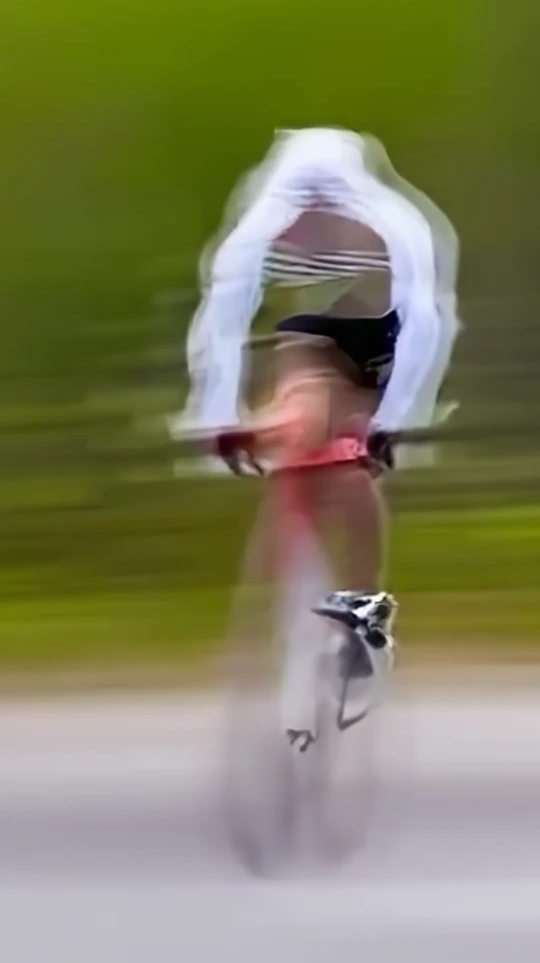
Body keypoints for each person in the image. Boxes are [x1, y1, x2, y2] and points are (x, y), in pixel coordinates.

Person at [172, 127, 459, 737]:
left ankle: (364, 607)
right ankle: (296, 560)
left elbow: (425, 325)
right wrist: (218, 415)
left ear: (353, 202)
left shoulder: (396, 225)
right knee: (304, 377)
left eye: (328, 210)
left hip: (384, 328)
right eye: (304, 213)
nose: (314, 222)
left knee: (349, 436)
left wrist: (394, 421)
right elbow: (222, 317)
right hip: (317, 327)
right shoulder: (256, 231)